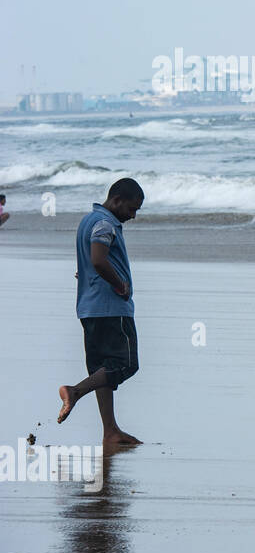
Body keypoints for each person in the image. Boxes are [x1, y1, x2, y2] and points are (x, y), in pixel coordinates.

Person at [55, 179, 145, 446]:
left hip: (89, 307)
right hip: (111, 308)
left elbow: (89, 261)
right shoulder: (105, 224)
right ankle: (75, 391)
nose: (133, 215)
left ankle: (110, 431)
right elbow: (97, 259)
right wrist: (121, 286)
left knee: (102, 370)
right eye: (131, 208)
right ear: (116, 200)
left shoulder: (88, 220)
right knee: (125, 364)